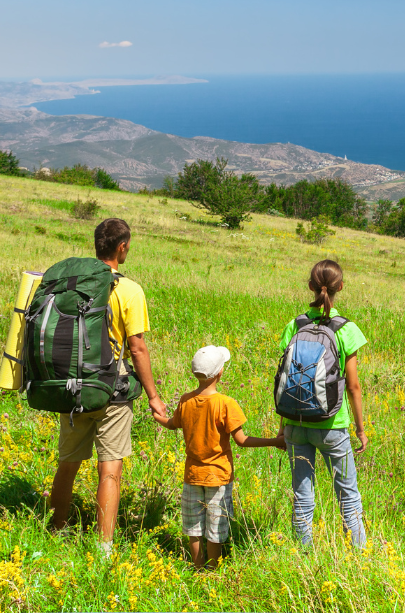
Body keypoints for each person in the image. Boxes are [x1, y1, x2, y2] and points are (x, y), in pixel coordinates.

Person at [47, 218, 167, 552]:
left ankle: (56, 532)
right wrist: (154, 397)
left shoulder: (72, 284)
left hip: (71, 386)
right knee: (110, 470)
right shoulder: (129, 290)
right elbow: (138, 348)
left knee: (67, 465)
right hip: (112, 389)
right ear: (122, 247)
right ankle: (103, 549)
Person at [154, 345, 285, 568]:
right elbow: (242, 440)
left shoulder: (185, 401)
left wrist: (158, 416)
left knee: (193, 527)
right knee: (215, 529)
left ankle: (197, 567)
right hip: (218, 477)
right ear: (219, 373)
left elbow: (171, 424)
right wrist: (275, 441)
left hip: (192, 475)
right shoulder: (226, 403)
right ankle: (212, 572)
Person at [278, 259, 368, 547]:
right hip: (332, 424)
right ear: (340, 287)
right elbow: (353, 386)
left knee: (303, 495)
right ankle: (359, 557)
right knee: (347, 493)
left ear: (310, 286)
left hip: (294, 422)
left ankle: (303, 555)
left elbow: (288, 378)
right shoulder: (345, 329)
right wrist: (360, 429)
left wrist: (283, 427)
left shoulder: (295, 325)